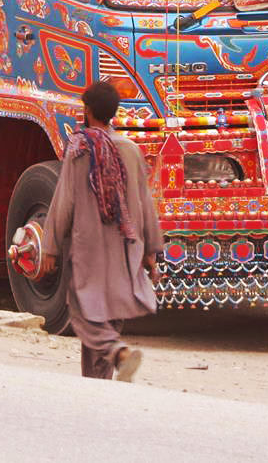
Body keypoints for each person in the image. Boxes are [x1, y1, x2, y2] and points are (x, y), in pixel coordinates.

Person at [43, 80, 164, 381]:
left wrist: (50, 247)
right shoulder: (131, 149)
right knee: (109, 311)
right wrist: (150, 251)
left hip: (90, 247)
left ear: (87, 110)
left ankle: (118, 352)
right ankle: (99, 384)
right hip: (126, 245)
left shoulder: (80, 148)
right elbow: (144, 201)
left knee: (84, 313)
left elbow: (64, 201)